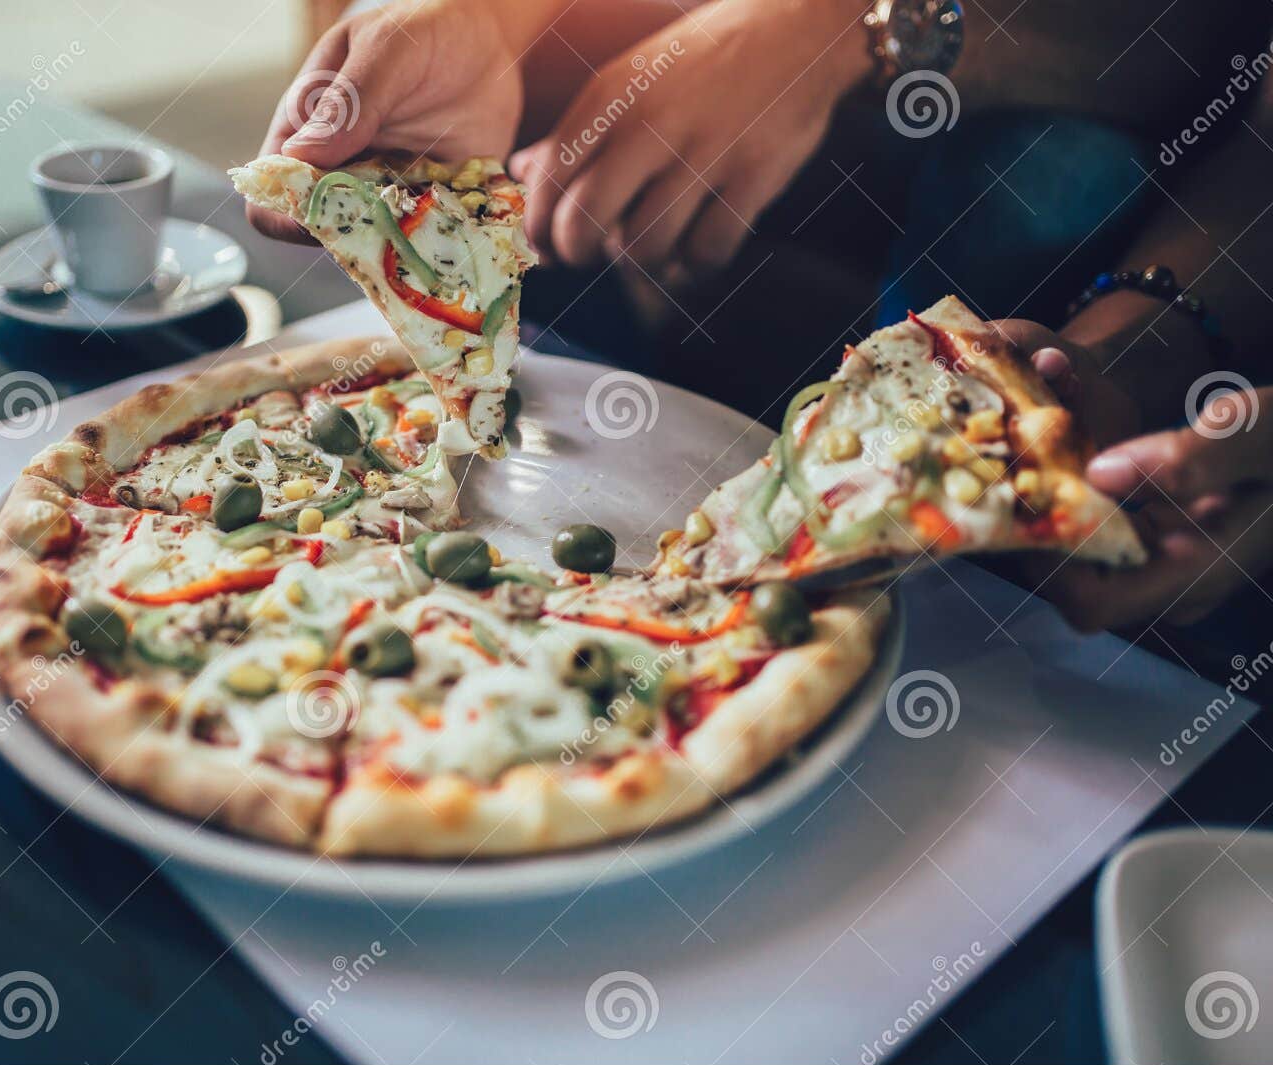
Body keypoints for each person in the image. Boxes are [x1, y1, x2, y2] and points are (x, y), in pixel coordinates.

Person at [246, 0, 1273, 632]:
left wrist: (836, 26)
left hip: (1052, 196)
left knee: (1046, 179)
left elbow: (1215, 37)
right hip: (625, 130)